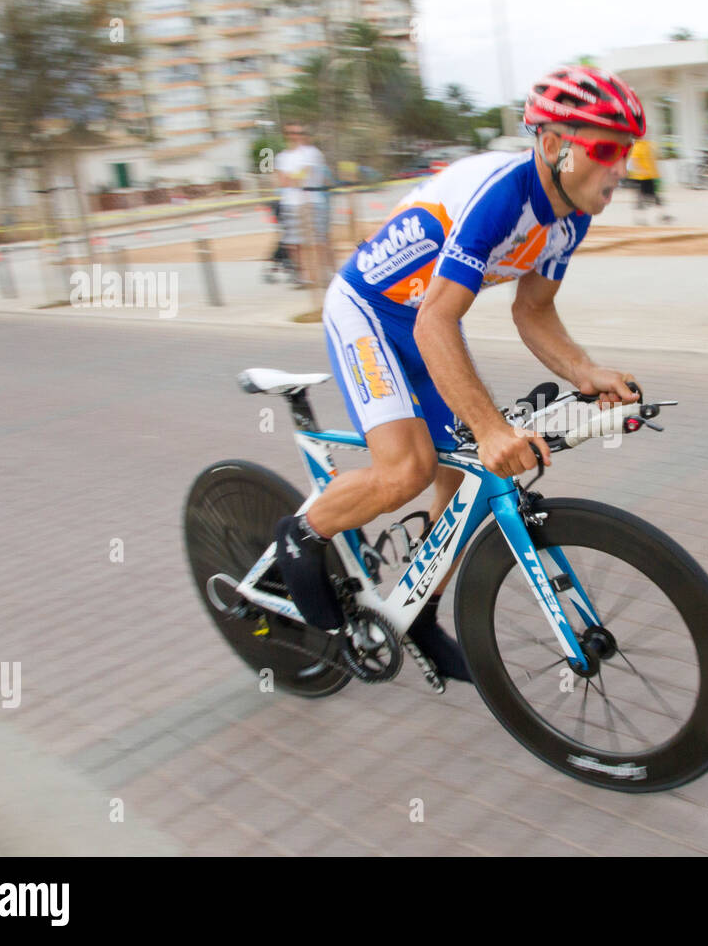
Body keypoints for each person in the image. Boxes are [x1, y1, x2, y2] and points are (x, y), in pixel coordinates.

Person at [274, 66, 647, 682]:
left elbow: (533, 310)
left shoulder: (572, 212)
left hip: (428, 314)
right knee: (409, 468)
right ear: (554, 144)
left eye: (627, 152)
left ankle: (417, 611)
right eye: (606, 151)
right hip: (371, 310)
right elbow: (434, 325)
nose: (621, 170)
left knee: (462, 470)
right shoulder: (502, 196)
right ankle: (302, 535)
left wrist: (585, 371)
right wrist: (492, 425)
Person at [276, 122, 332, 287]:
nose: (295, 135)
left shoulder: (312, 153)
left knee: (317, 241)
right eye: (291, 132)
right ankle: (302, 276)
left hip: (311, 201)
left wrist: (293, 179)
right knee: (294, 243)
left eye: (299, 132)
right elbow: (283, 180)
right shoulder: (282, 157)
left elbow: (303, 176)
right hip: (290, 203)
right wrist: (294, 179)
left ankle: (321, 274)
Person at [628, 136, 672, 225]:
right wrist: (641, 170)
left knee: (653, 197)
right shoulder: (638, 147)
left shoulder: (648, 145)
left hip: (649, 176)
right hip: (641, 178)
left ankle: (661, 216)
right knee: (643, 198)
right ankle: (642, 218)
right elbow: (635, 161)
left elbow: (656, 156)